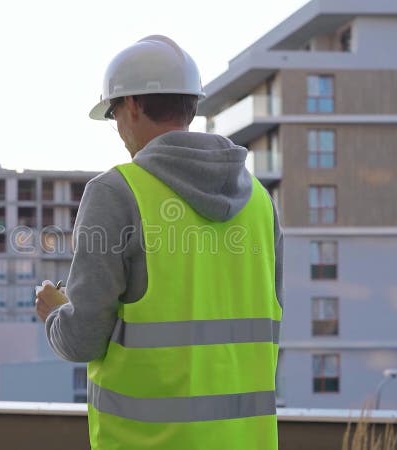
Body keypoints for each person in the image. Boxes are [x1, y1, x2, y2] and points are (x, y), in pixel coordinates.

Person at [35, 35, 283, 450]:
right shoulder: (260, 202)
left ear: (131, 105)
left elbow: (82, 340)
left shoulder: (116, 192)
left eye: (113, 113)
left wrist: (56, 315)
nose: (117, 129)